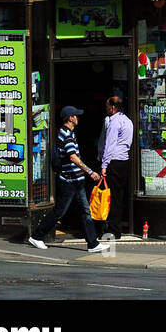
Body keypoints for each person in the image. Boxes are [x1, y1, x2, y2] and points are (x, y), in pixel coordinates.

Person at [29, 106, 109, 252]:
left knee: (85, 211)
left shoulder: (68, 133)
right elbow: (73, 157)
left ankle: (93, 244)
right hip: (69, 182)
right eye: (76, 116)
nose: (78, 118)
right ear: (70, 118)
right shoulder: (66, 135)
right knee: (59, 212)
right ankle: (37, 236)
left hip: (76, 181)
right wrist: (90, 171)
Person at [97, 95, 133, 240]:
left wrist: (104, 165)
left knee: (109, 196)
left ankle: (111, 229)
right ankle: (116, 229)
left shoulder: (114, 122)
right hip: (124, 161)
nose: (106, 109)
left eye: (107, 107)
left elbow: (109, 145)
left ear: (112, 108)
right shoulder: (128, 121)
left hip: (114, 161)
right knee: (118, 196)